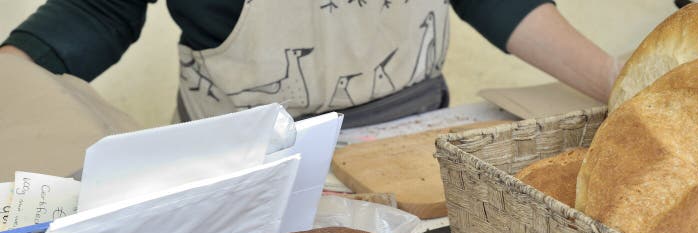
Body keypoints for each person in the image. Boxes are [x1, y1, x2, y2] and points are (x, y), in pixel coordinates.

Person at [0, 0, 619, 127]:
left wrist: (619, 83)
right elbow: (101, 8)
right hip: (244, 153)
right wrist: (13, 73)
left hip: (408, 143)